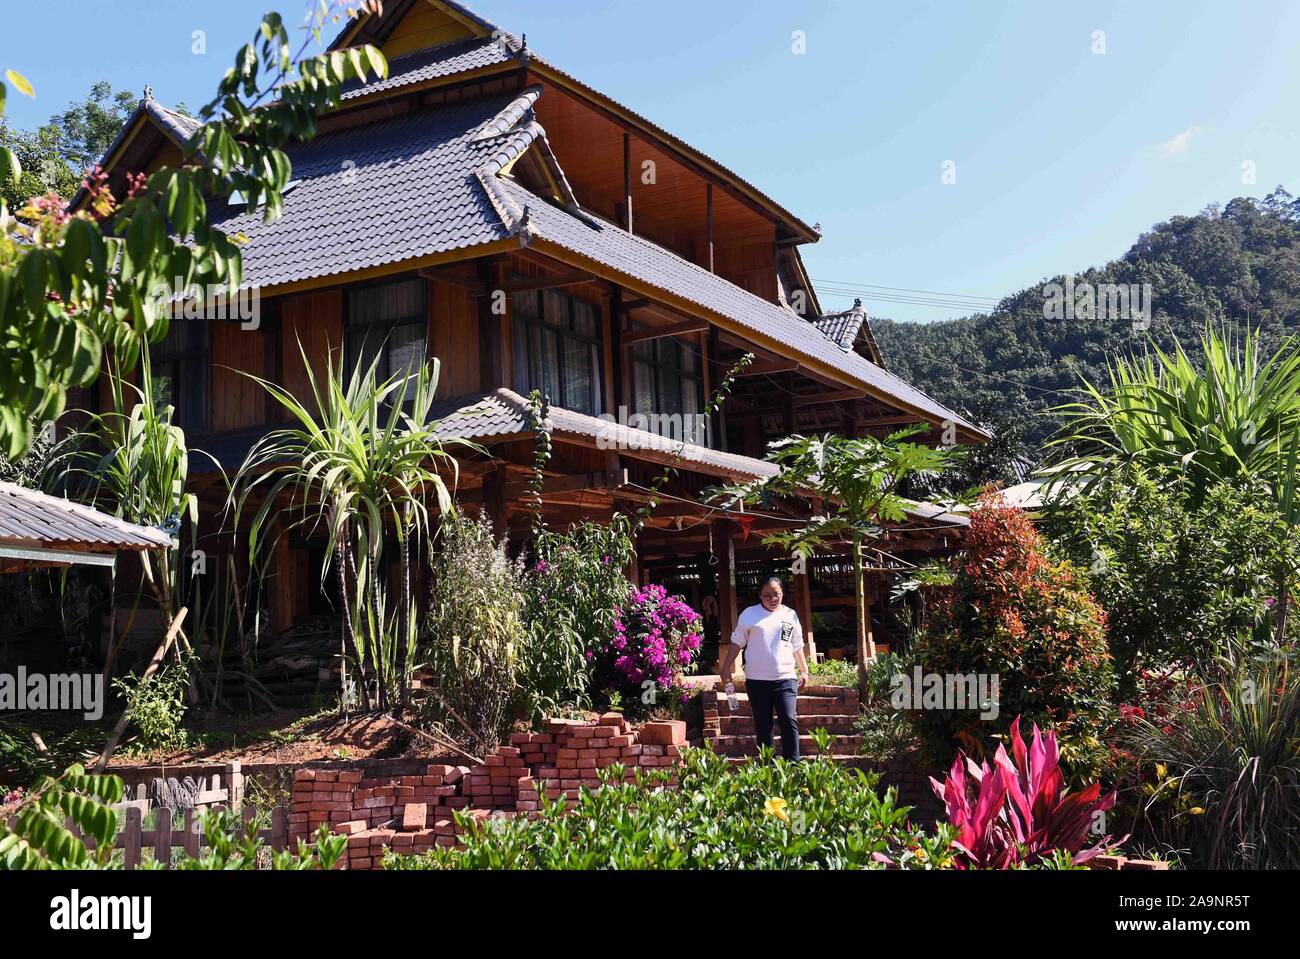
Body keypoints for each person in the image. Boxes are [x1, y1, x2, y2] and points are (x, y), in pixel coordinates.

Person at [717, 575, 811, 760]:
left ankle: (793, 766)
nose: (773, 599)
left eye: (776, 594)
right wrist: (726, 666)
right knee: (763, 725)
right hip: (757, 680)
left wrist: (805, 670)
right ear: (760, 595)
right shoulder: (749, 615)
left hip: (785, 678)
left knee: (789, 719)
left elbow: (797, 645)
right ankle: (767, 768)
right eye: (767, 595)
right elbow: (737, 643)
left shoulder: (790, 615)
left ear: (782, 593)